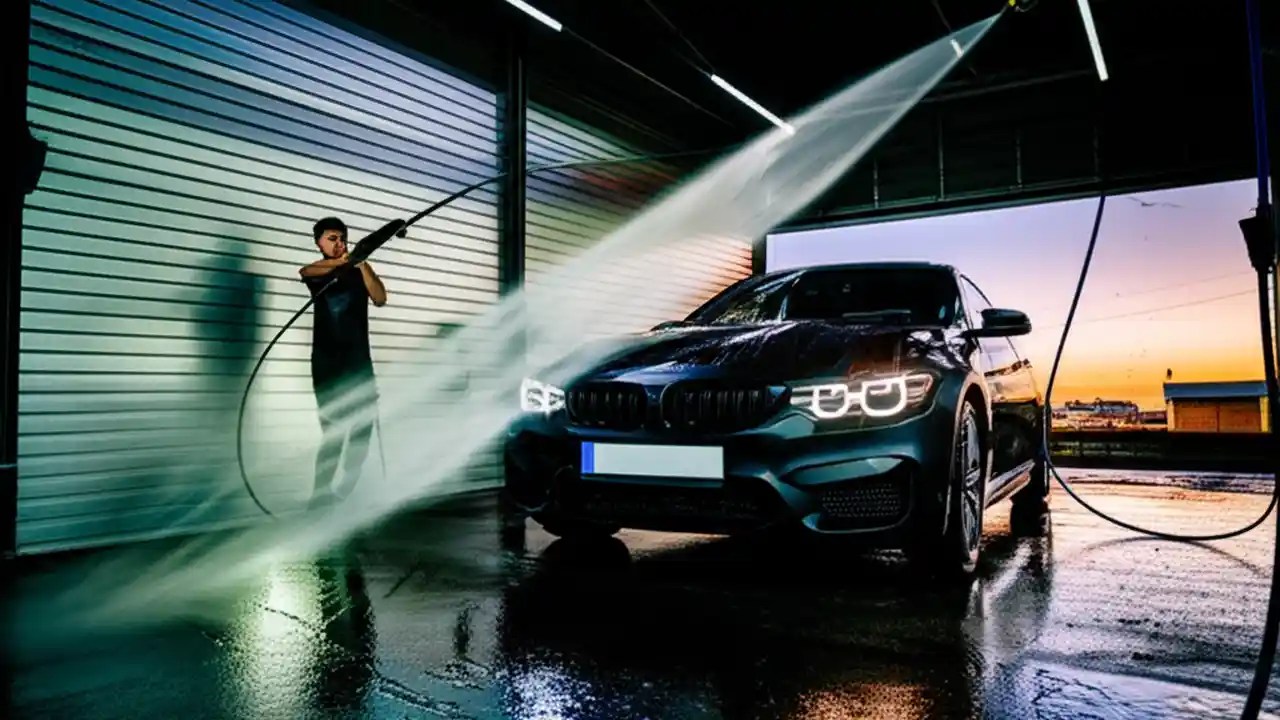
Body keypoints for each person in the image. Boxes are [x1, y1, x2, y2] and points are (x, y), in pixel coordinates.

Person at [299, 216, 388, 509]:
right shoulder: (320, 272)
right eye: (331, 239)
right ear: (319, 242)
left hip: (358, 362)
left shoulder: (358, 269)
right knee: (334, 431)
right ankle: (319, 496)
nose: (338, 244)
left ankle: (345, 490)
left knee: (362, 428)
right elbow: (305, 270)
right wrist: (344, 262)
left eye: (341, 238)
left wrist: (362, 263)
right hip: (327, 363)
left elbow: (380, 297)